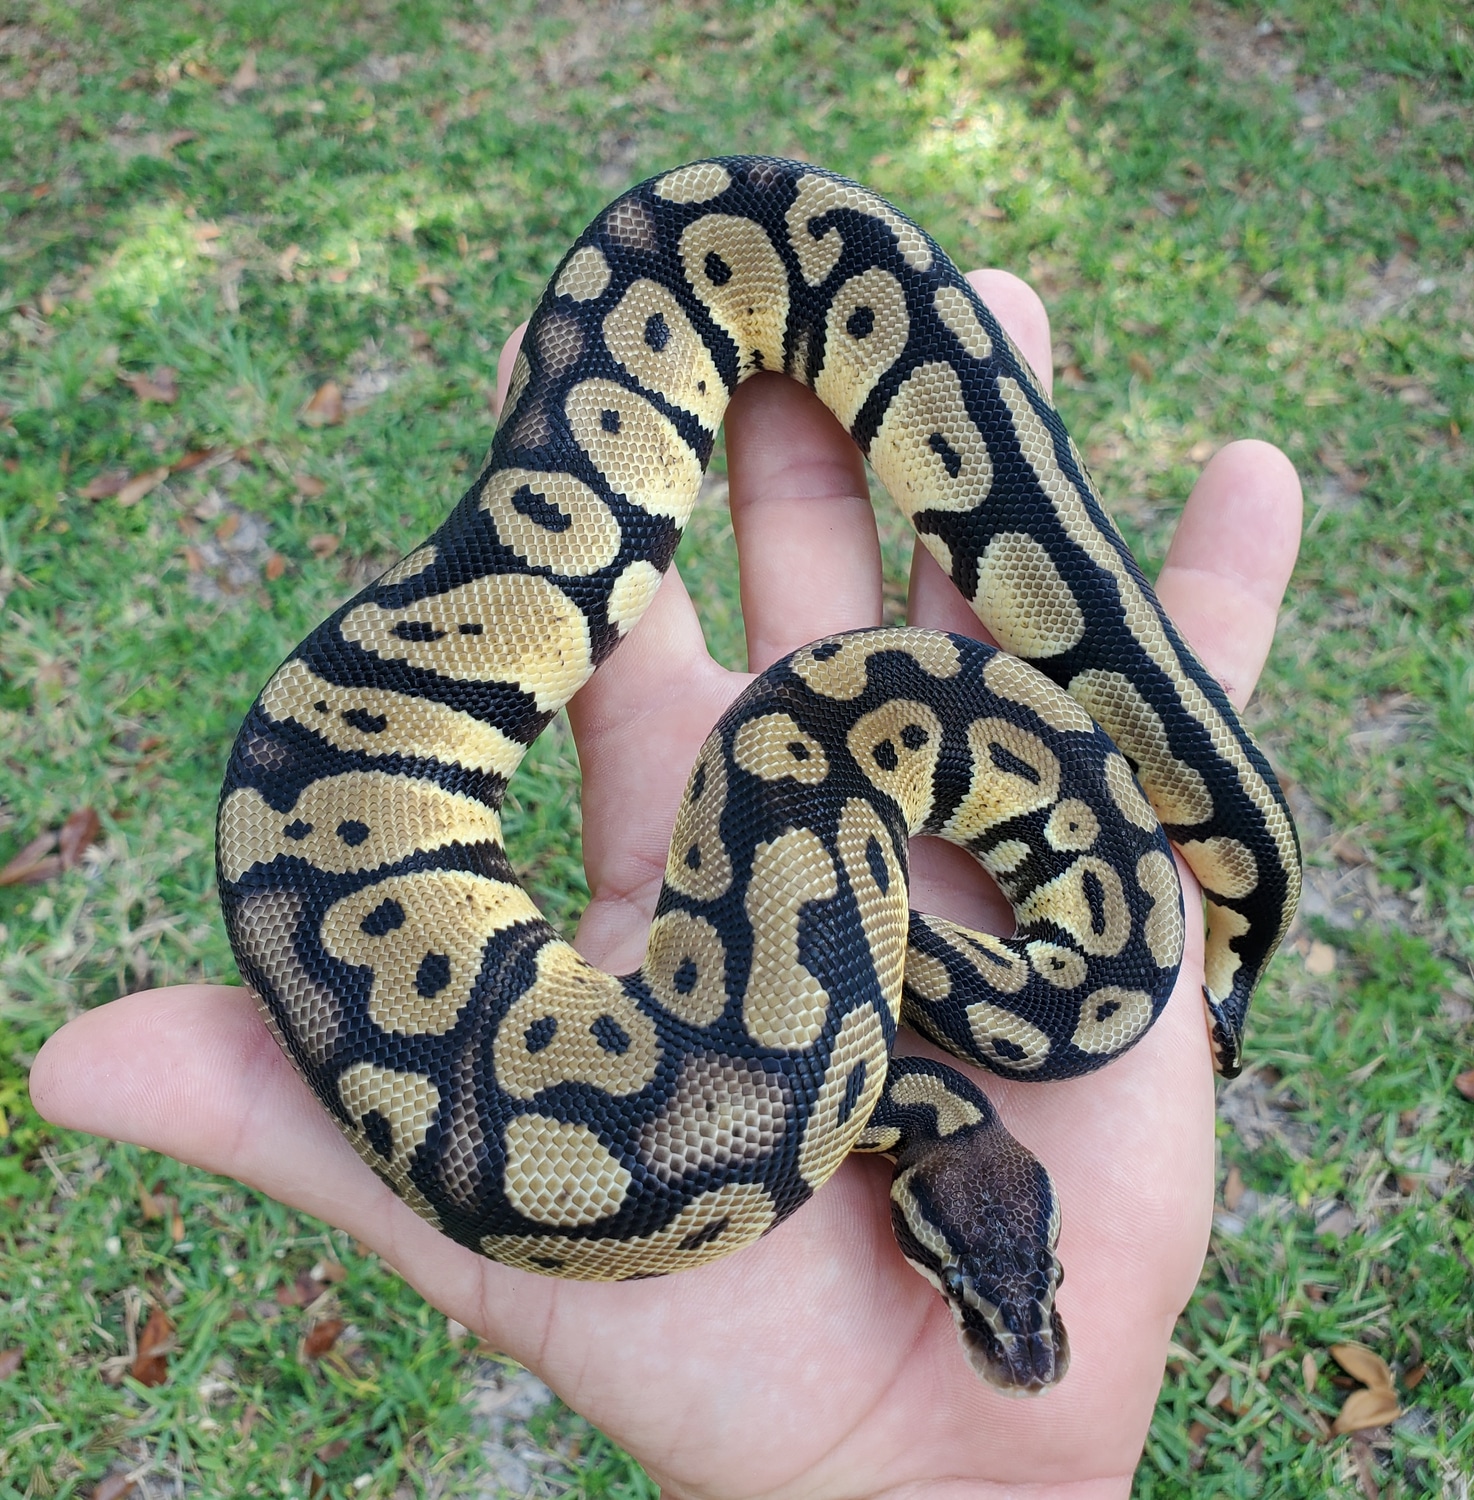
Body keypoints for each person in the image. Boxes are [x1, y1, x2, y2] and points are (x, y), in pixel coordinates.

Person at [31, 269, 1302, 1499]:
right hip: (365, 785)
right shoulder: (896, 1056)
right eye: (1000, 1285)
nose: (1017, 1338)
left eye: (984, 1294)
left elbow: (842, 1003)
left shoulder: (884, 1061)